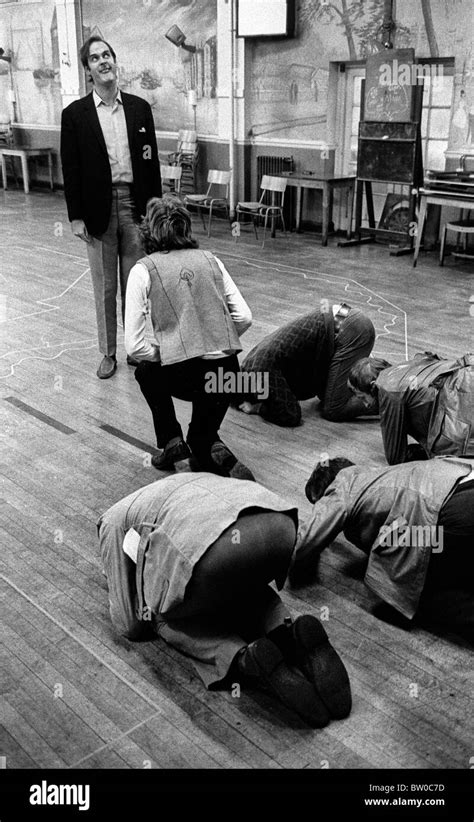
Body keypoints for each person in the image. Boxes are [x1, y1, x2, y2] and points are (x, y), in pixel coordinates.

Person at [98, 472, 352, 727]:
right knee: (245, 583)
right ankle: (286, 632)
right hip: (280, 522)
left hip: (214, 550)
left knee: (160, 614)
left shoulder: (111, 520)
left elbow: (129, 624)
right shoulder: (176, 482)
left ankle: (242, 658)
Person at [124, 194, 253, 478]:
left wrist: (168, 350)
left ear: (148, 232)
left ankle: (174, 443)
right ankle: (207, 441)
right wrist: (218, 339)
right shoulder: (212, 260)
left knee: (146, 371)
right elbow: (245, 317)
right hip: (226, 376)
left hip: (183, 374)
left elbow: (133, 346)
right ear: (186, 228)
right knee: (205, 435)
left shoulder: (142, 271)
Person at [60, 36, 161, 379]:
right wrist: (75, 216)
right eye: (94, 58)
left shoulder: (139, 108)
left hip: (135, 206)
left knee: (135, 285)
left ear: (115, 62)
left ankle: (136, 347)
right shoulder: (75, 115)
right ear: (88, 69)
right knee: (105, 287)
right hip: (97, 211)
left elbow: (151, 162)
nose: (102, 61)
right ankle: (108, 352)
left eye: (107, 55)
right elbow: (70, 169)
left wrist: (155, 208)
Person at [290, 455, 474, 641]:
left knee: (408, 597)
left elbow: (302, 544)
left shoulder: (342, 485)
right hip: (463, 477)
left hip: (450, 507)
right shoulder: (378, 474)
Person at [234, 303, 375, 427]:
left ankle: (388, 399)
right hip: (340, 318)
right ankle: (383, 381)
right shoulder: (250, 362)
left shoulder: (260, 372)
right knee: (327, 395)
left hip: (350, 328)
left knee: (333, 408)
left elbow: (291, 414)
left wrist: (258, 408)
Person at [348, 355, 439, 464]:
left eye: (363, 397)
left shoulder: (388, 389)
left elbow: (396, 458)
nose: (366, 405)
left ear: (373, 386)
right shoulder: (416, 363)